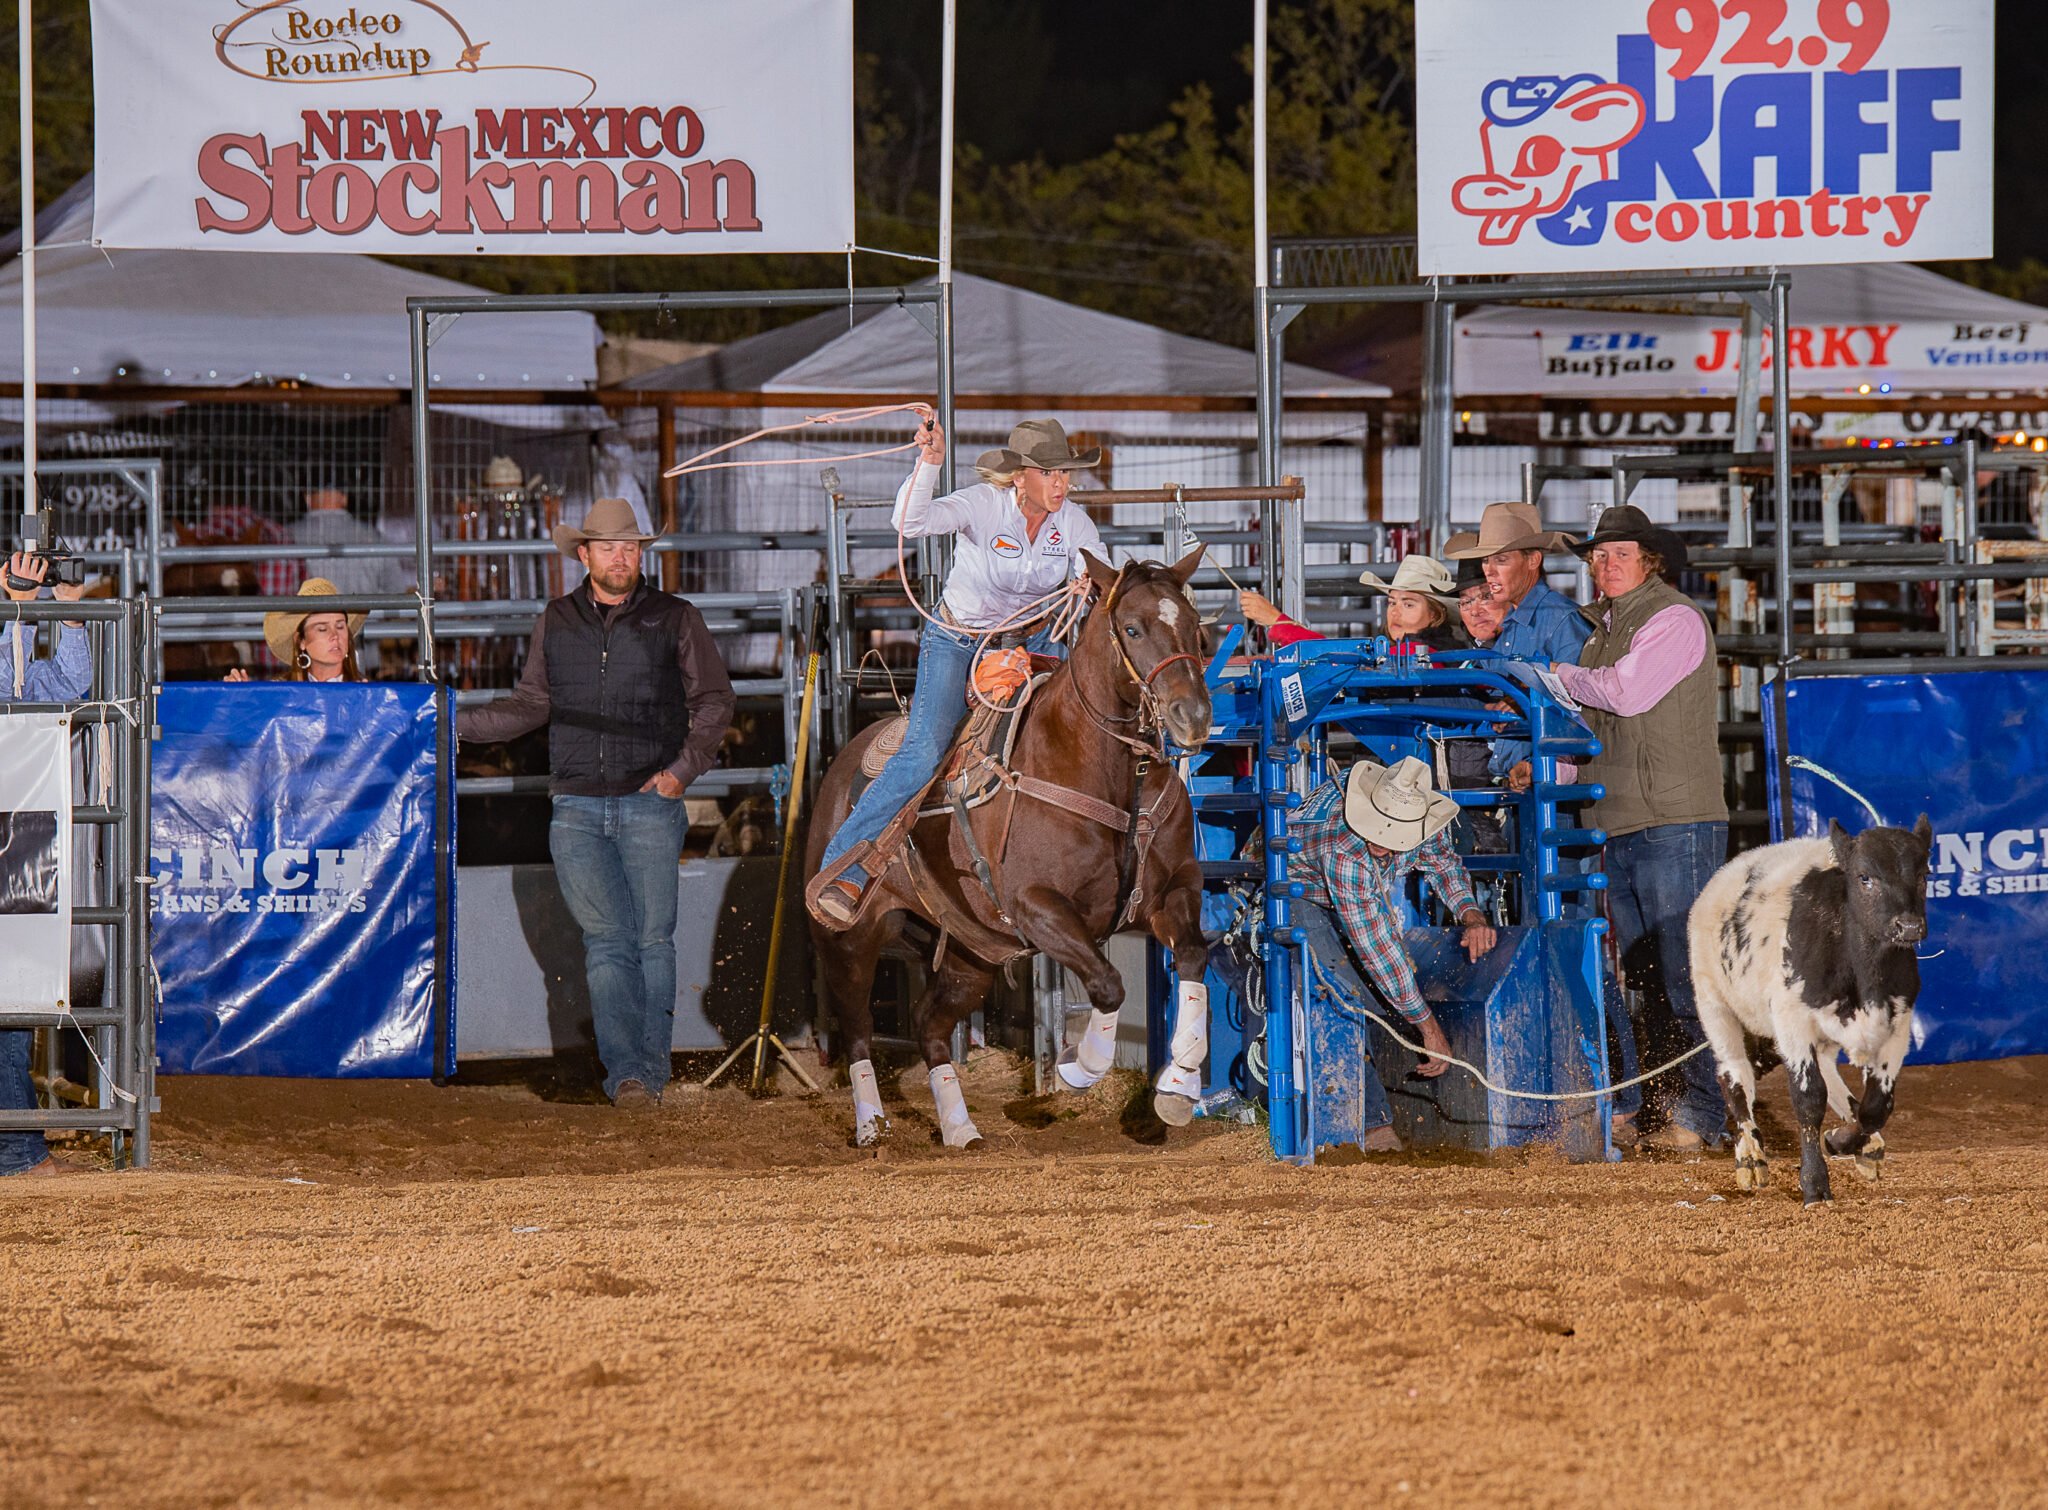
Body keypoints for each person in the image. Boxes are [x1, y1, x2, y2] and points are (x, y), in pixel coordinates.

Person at [458, 498, 735, 1108]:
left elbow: (714, 701)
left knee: (650, 942)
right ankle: (629, 1077)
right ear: (583, 555)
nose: (622, 557)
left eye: (632, 547)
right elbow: (530, 704)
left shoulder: (675, 618)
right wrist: (452, 722)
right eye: (609, 547)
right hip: (578, 804)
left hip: (646, 800)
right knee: (612, 944)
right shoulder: (556, 620)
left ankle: (646, 1075)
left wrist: (680, 773)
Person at [813, 416, 1107, 925]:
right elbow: (910, 523)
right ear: (1019, 477)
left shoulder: (1075, 524)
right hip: (959, 642)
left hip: (1034, 642)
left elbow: (1098, 572)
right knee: (926, 747)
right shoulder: (981, 505)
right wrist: (929, 464)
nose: (1061, 484)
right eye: (1050, 473)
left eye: (1065, 474)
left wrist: (1095, 585)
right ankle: (847, 870)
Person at [1544, 505, 1728, 1152]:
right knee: (1649, 979)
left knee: (1680, 975)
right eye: (1598, 554)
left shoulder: (1673, 618)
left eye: (1620, 553)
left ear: (1649, 560)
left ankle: (1704, 1114)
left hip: (1673, 820)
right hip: (1626, 819)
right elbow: (1596, 726)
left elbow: (1622, 695)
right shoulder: (1606, 631)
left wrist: (1556, 676)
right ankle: (1672, 1104)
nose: (1606, 563)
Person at [1290, 756, 1497, 1152]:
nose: (1380, 842)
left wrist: (1471, 916)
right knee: (1343, 996)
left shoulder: (1411, 809)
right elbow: (1379, 951)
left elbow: (1444, 863)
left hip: (1343, 898)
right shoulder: (1344, 849)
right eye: (1377, 832)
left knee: (1375, 996)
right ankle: (1371, 1126)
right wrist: (1430, 1031)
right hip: (1294, 889)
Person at [1, 552, 93, 1179]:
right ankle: (17, 1149)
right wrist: (16, 609)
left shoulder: (17, 635)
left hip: (16, 828)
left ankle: (17, 1146)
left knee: (14, 985)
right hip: (17, 827)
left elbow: (71, 691)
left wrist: (69, 617)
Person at [290, 482, 411, 675]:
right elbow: (396, 592)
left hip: (307, 660)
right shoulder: (373, 538)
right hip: (362, 655)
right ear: (345, 497)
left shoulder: (288, 537)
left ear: (306, 497)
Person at [1239, 554, 1468, 651]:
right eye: (1392, 603)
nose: (1395, 612)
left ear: (1435, 615)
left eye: (1408, 604)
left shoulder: (1422, 655)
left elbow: (1340, 660)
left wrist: (1277, 621)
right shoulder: (1414, 652)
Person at [226, 578, 366, 684]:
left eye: (340, 627)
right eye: (322, 629)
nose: (335, 636)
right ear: (301, 641)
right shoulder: (277, 690)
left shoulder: (367, 693)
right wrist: (243, 698)